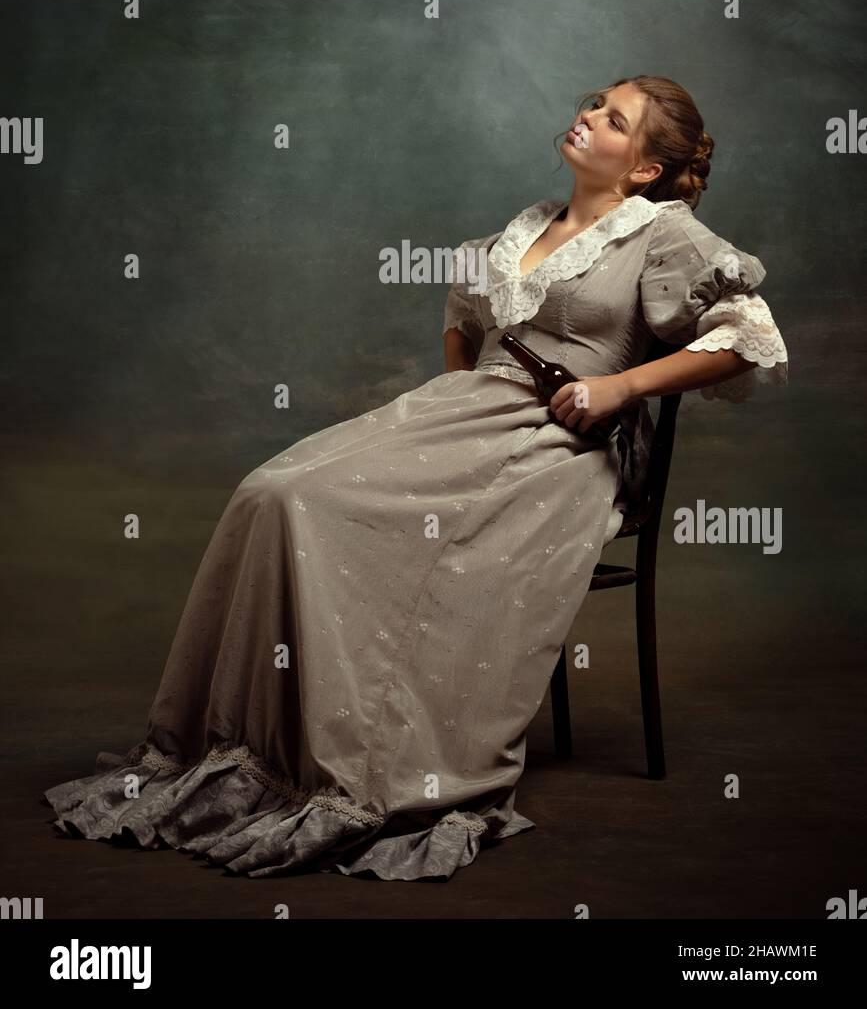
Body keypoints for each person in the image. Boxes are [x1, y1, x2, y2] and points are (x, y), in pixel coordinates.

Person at [42, 74, 788, 882]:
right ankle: (246, 750)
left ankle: (354, 761)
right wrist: (460, 395)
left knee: (316, 507)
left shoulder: (662, 234)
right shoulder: (528, 225)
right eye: (591, 103)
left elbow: (745, 339)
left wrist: (619, 387)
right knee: (271, 490)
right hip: (464, 417)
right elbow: (464, 328)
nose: (587, 117)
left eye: (613, 119)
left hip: (558, 450)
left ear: (644, 168)